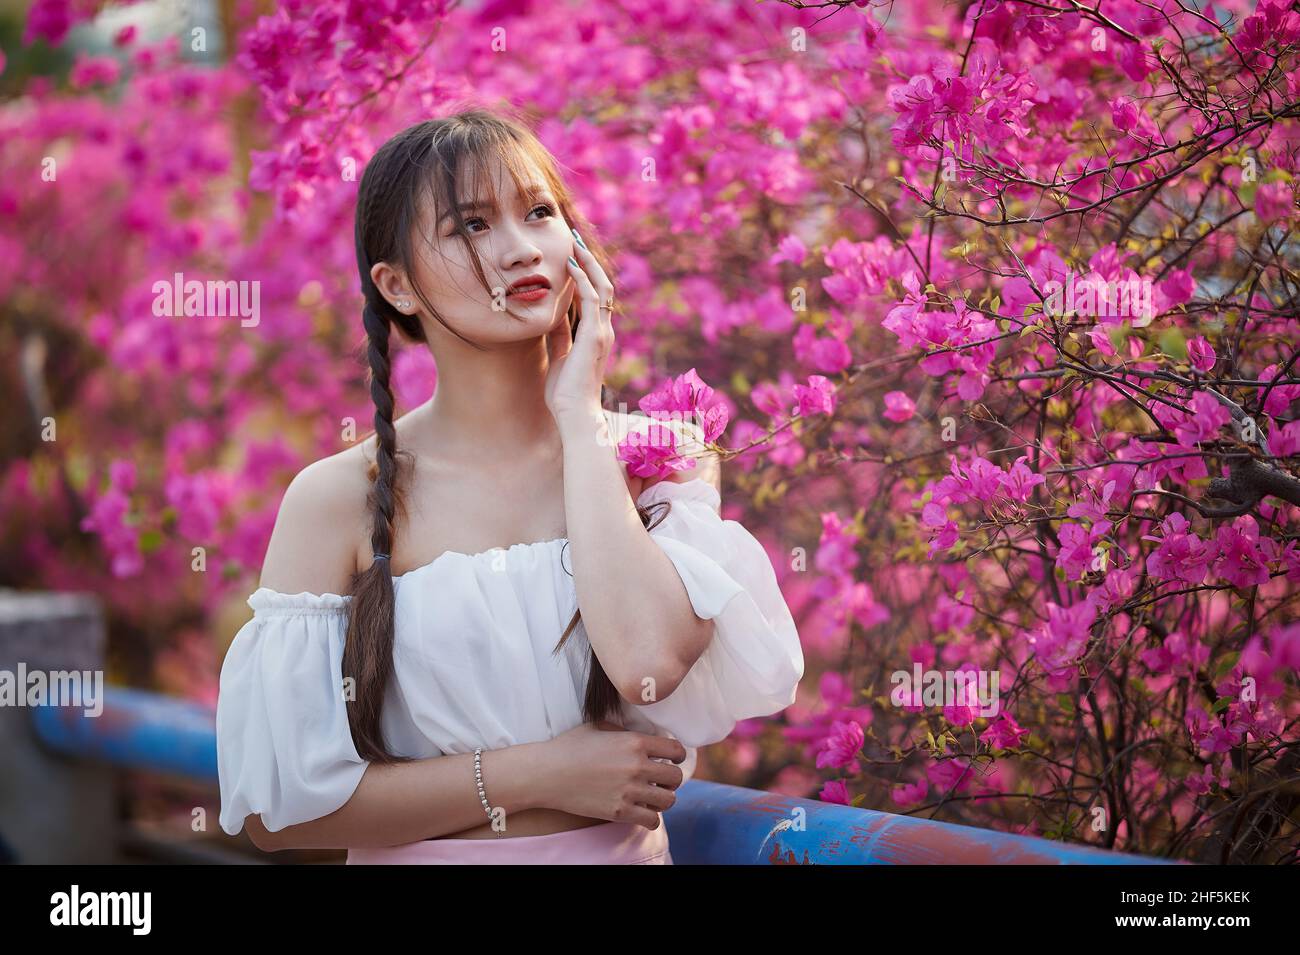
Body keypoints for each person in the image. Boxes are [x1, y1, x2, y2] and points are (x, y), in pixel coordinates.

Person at [214, 107, 804, 864]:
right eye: (472, 225)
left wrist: (580, 419)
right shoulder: (337, 497)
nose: (521, 248)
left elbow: (648, 666)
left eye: (539, 212)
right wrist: (536, 775)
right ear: (396, 286)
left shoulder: (654, 456)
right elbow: (280, 816)